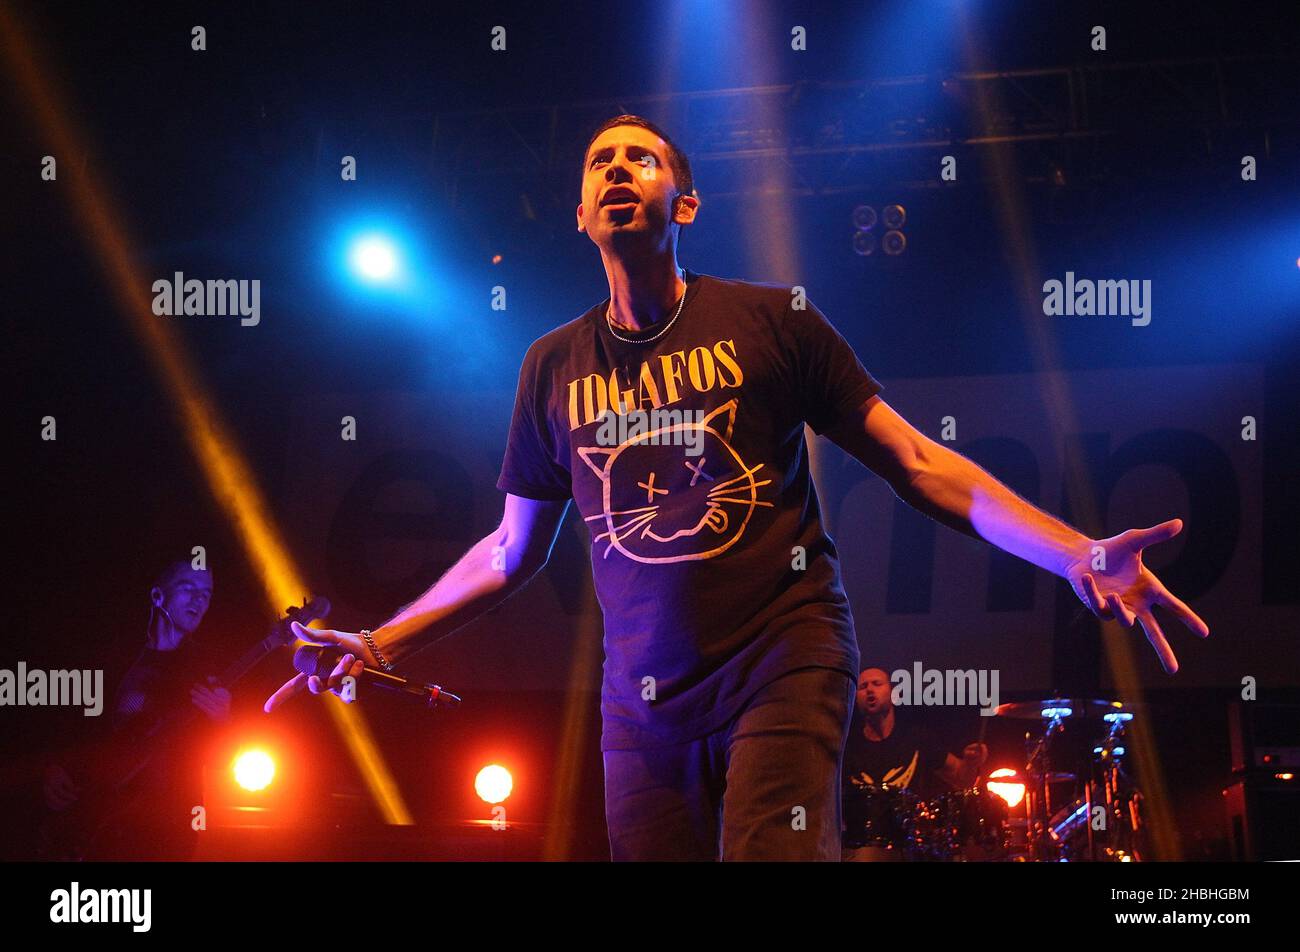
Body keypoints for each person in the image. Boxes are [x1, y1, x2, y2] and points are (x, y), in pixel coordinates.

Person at [264, 114, 1210, 861]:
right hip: (641, 703)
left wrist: (1076, 553)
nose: (619, 169)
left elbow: (921, 465)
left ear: (684, 202)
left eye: (642, 158)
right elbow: (510, 550)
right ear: (581, 212)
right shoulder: (551, 366)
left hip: (783, 659)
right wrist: (382, 639)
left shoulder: (772, 323)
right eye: (601, 162)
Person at [42, 560, 230, 860]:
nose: (199, 600)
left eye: (206, 594)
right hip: (94, 824)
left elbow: (218, 760)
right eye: (188, 589)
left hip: (163, 831)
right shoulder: (114, 656)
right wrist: (54, 766)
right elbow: (75, 723)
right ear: (158, 596)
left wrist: (222, 723)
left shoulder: (209, 671)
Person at [841, 667, 986, 802]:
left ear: (894, 694)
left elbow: (961, 780)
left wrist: (971, 763)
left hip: (906, 828)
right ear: (855, 699)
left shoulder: (916, 738)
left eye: (877, 684)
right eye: (863, 686)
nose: (870, 689)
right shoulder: (846, 745)